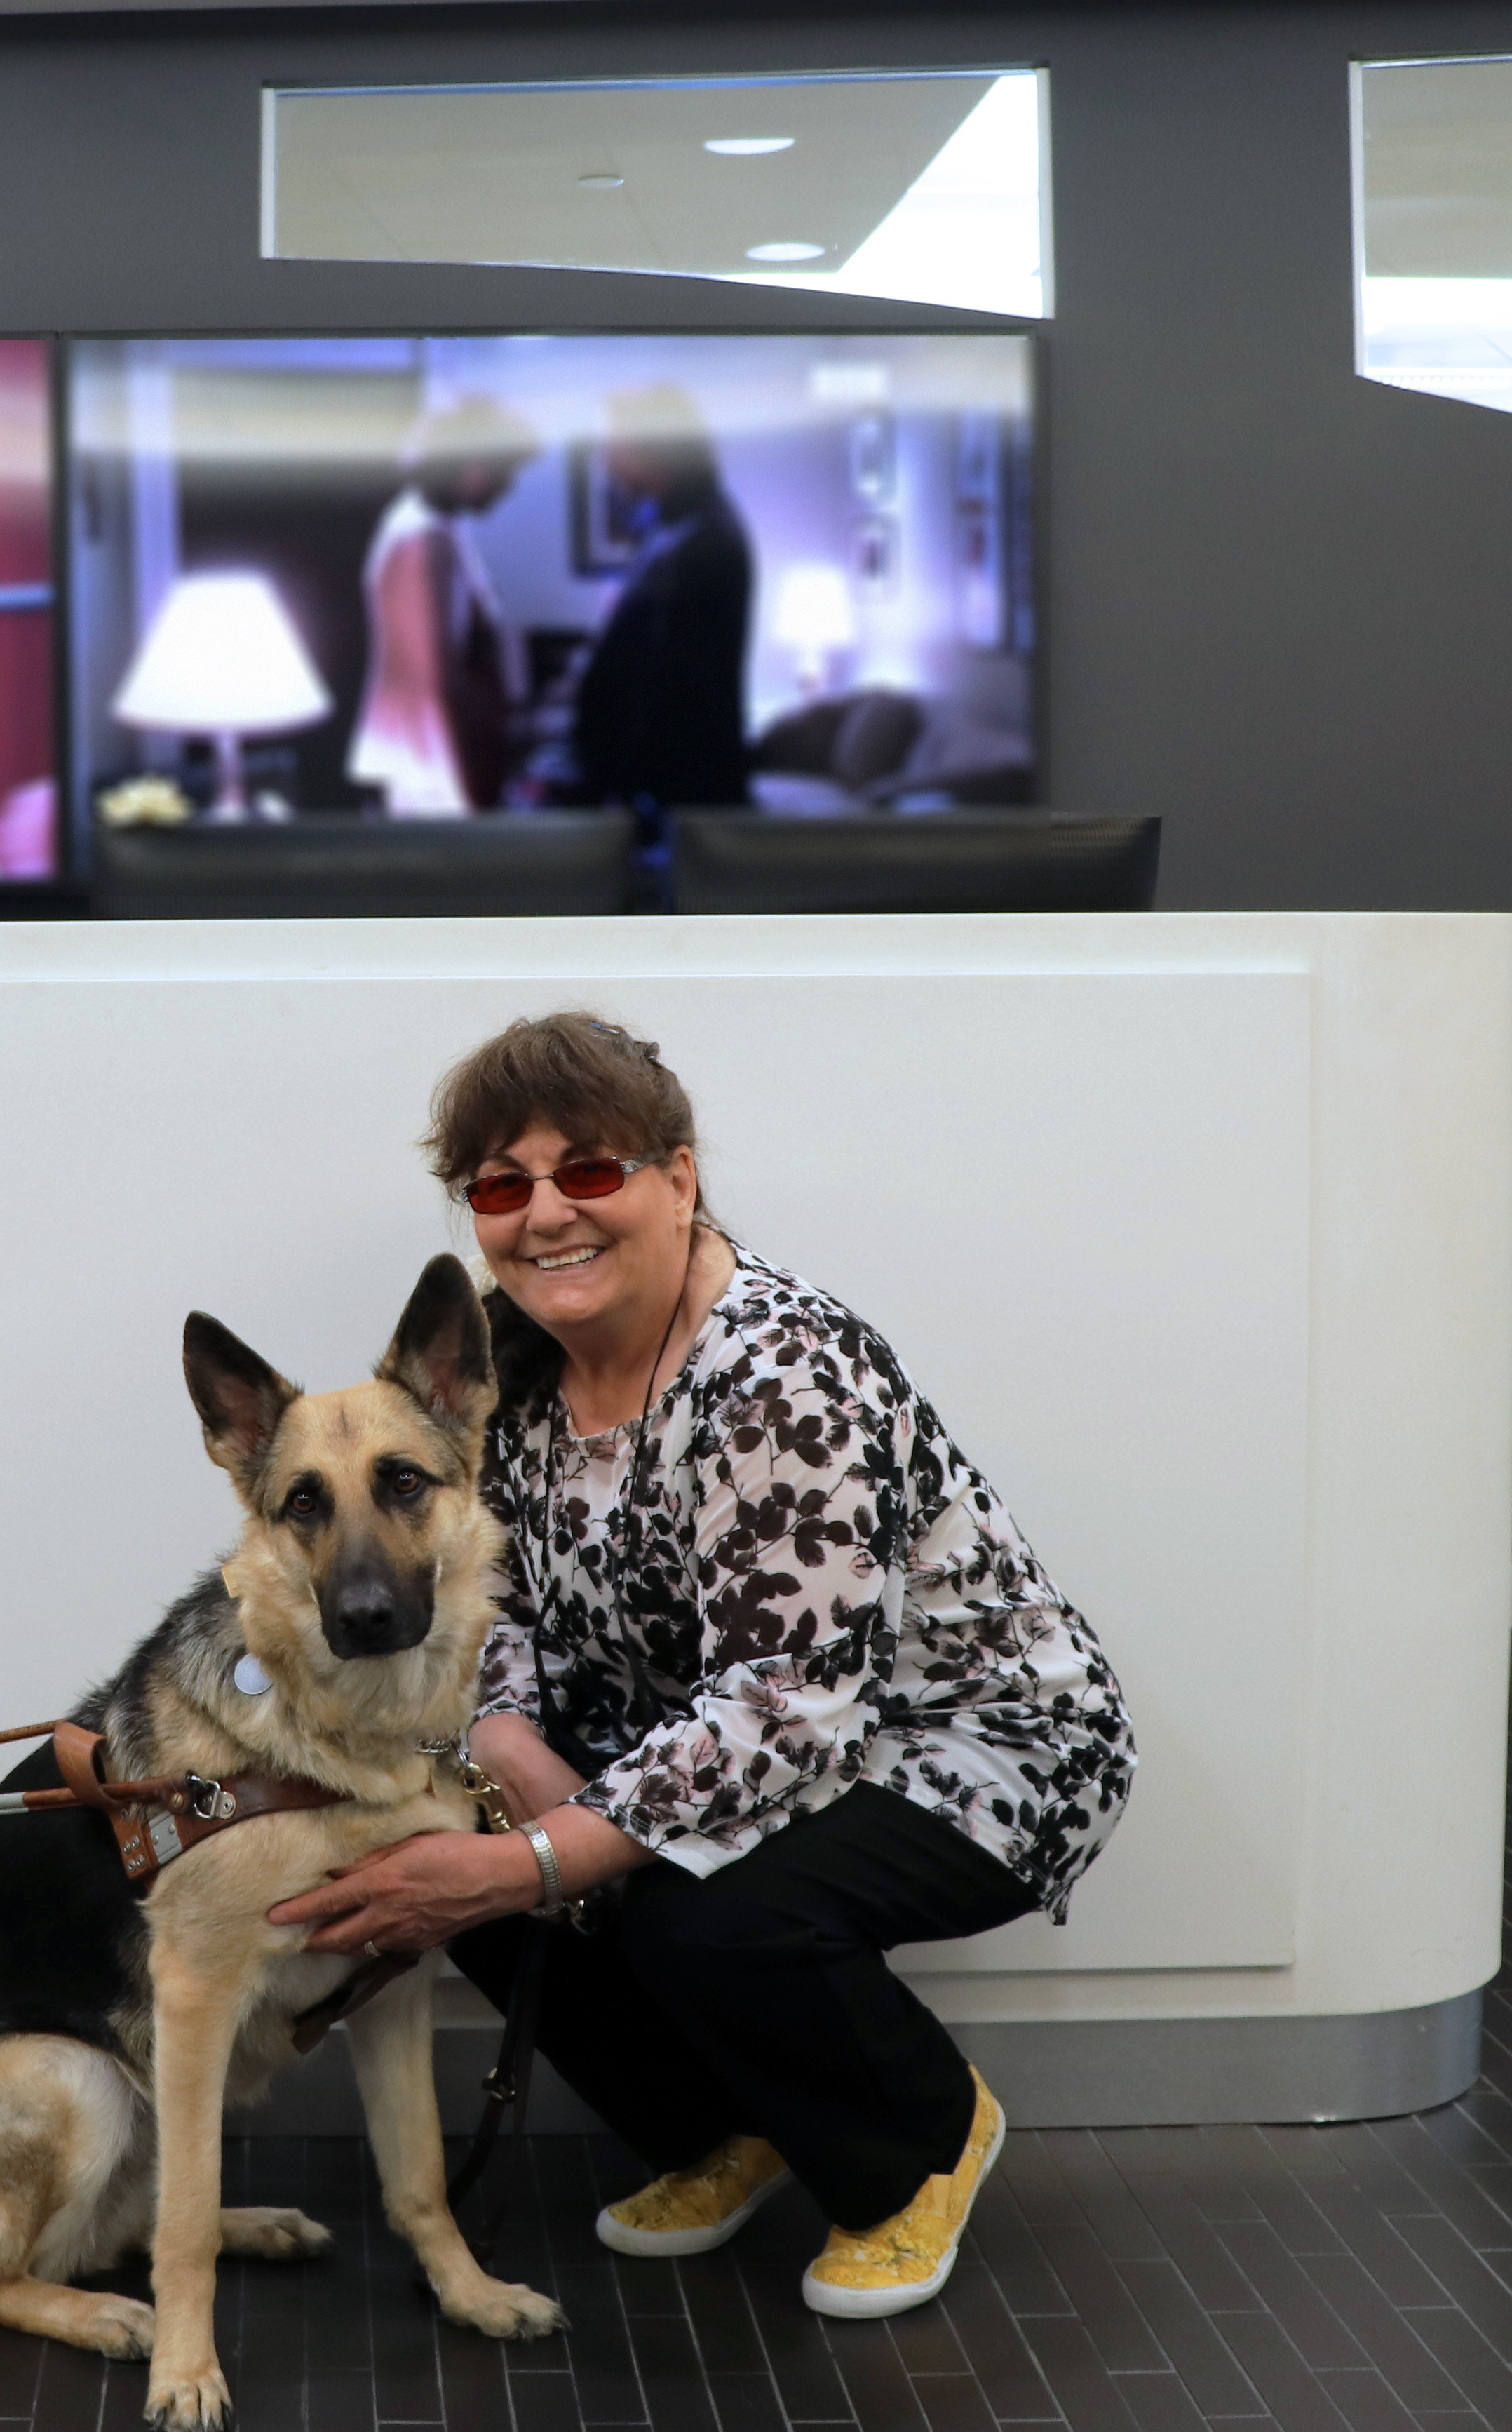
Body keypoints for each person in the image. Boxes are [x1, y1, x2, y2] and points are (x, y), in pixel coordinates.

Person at [268, 1012, 1133, 2319]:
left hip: (974, 1742)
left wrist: (542, 1848)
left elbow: (793, 1705)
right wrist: (500, 1737)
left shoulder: (783, 1372)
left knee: (693, 1901)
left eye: (590, 1170)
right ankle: (730, 2127)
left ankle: (917, 2144)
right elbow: (476, 1569)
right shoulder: (507, 1365)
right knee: (467, 1868)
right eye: (503, 1184)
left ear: (680, 1174)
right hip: (708, 1729)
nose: (546, 1211)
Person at [569, 387, 755, 814]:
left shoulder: (705, 540)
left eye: (612, 445)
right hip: (662, 795)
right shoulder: (679, 528)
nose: (605, 461)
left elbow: (673, 694)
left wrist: (622, 784)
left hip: (676, 801)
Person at [345, 397, 532, 819]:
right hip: (431, 772)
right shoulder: (421, 536)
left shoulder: (437, 527)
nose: (509, 488)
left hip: (434, 765)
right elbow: (436, 680)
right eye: (506, 473)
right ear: (473, 467)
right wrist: (475, 785)